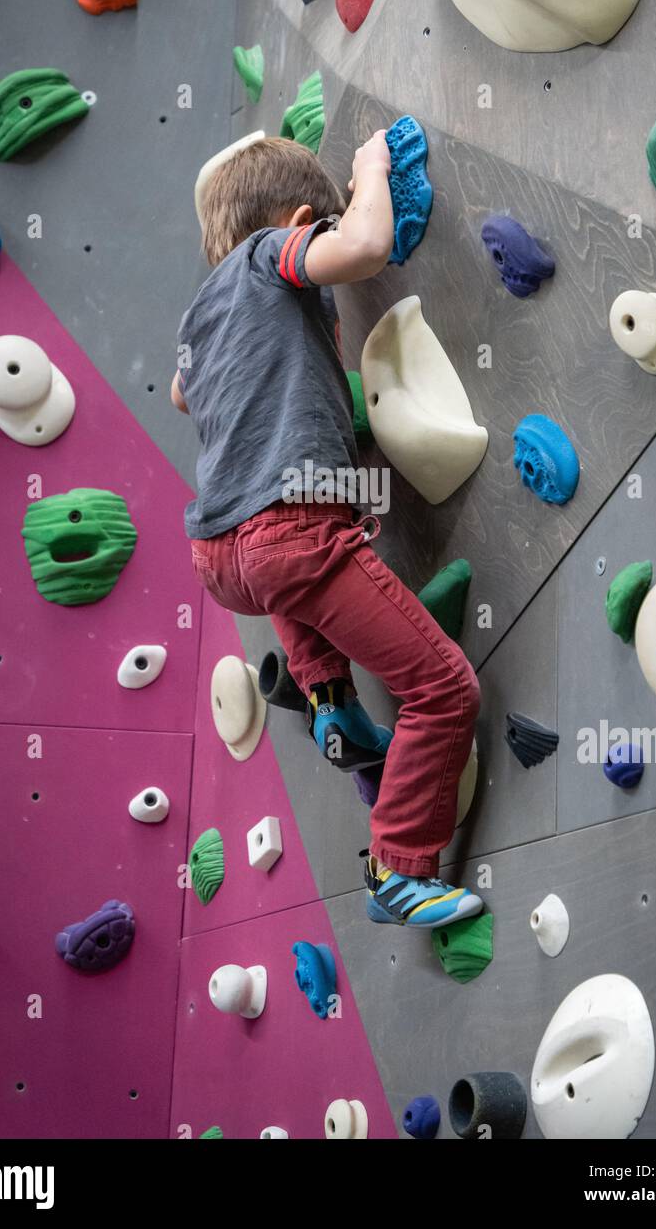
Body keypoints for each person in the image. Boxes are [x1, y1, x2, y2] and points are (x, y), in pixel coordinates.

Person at [172, 132, 482, 928]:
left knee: (291, 573)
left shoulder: (202, 309)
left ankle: (332, 700)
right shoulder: (273, 252)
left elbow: (181, 395)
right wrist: (370, 172)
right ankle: (398, 869)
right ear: (297, 222)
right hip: (290, 530)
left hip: (220, 553)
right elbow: (367, 245)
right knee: (445, 690)